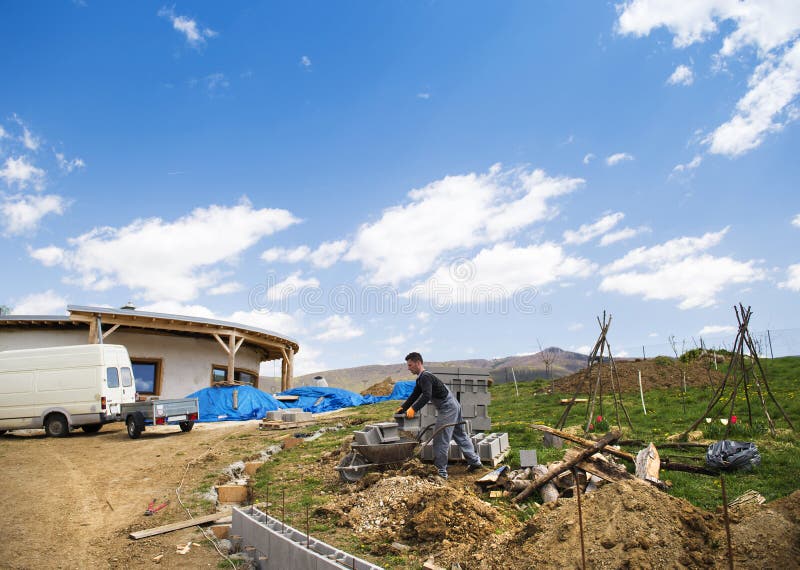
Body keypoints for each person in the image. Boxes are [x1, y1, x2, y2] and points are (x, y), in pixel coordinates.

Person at [396, 352, 483, 479]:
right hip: (454, 405)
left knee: (441, 438)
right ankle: (475, 462)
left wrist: (413, 409)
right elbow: (415, 395)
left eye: (410, 365)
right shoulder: (421, 378)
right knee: (460, 434)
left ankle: (441, 471)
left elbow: (426, 395)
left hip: (448, 408)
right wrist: (403, 408)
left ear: (418, 363)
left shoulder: (425, 377)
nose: (408, 368)